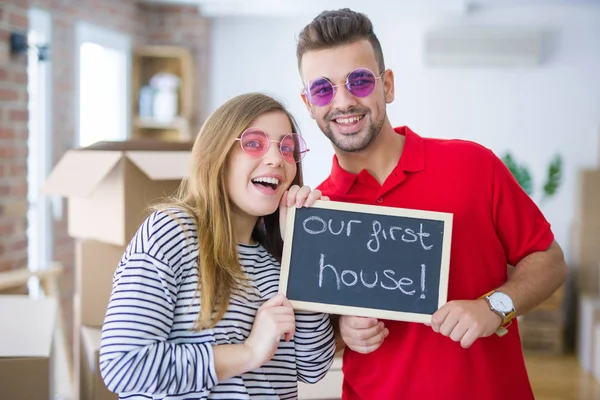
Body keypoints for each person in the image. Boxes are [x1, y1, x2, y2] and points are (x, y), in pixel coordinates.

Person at [295, 8, 568, 400]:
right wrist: (344, 332)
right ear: (308, 104)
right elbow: (313, 344)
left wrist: (495, 306)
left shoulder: (473, 165)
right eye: (322, 89)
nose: (343, 101)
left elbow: (549, 259)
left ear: (387, 85)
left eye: (358, 80)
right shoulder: (316, 214)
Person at [99, 93, 337, 399]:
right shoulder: (172, 233)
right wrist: (249, 351)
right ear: (218, 155)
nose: (277, 159)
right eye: (254, 143)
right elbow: (123, 366)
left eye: (288, 148)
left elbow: (313, 367)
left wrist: (302, 249)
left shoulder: (282, 262)